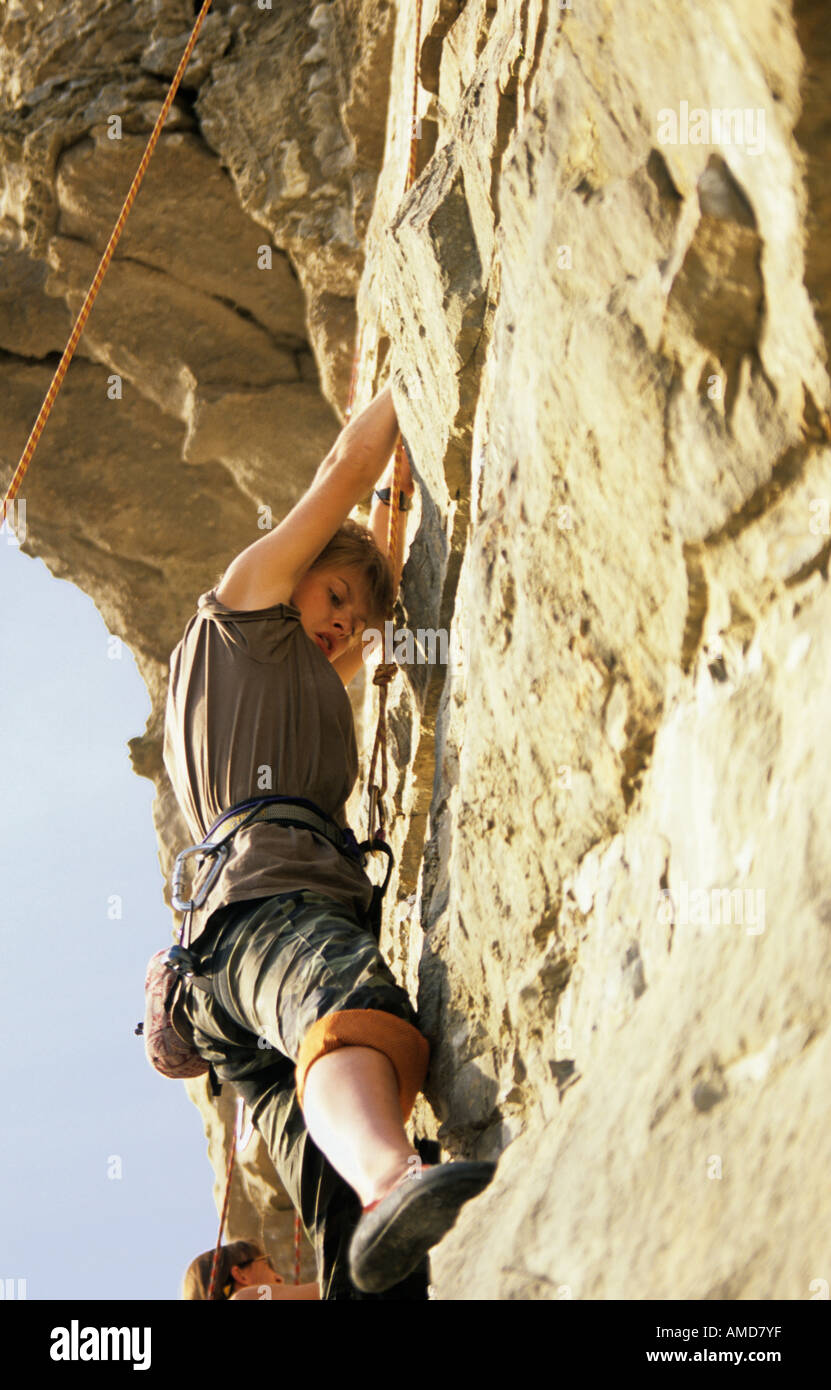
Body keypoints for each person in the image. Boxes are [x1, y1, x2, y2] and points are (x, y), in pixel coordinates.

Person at [163, 382, 495, 1300]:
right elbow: (342, 469)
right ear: (296, 567)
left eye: (349, 615)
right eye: (333, 593)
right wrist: (400, 395)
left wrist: (382, 541)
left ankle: (376, 1228)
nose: (342, 621)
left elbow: (370, 619)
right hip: (268, 917)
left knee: (344, 1226)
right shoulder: (241, 607)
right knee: (350, 1006)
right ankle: (394, 1180)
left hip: (228, 979)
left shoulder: (286, 674)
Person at [182, 1240, 319, 1300]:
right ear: (240, 1275)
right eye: (266, 1265)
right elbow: (325, 1290)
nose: (279, 1278)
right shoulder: (244, 1298)